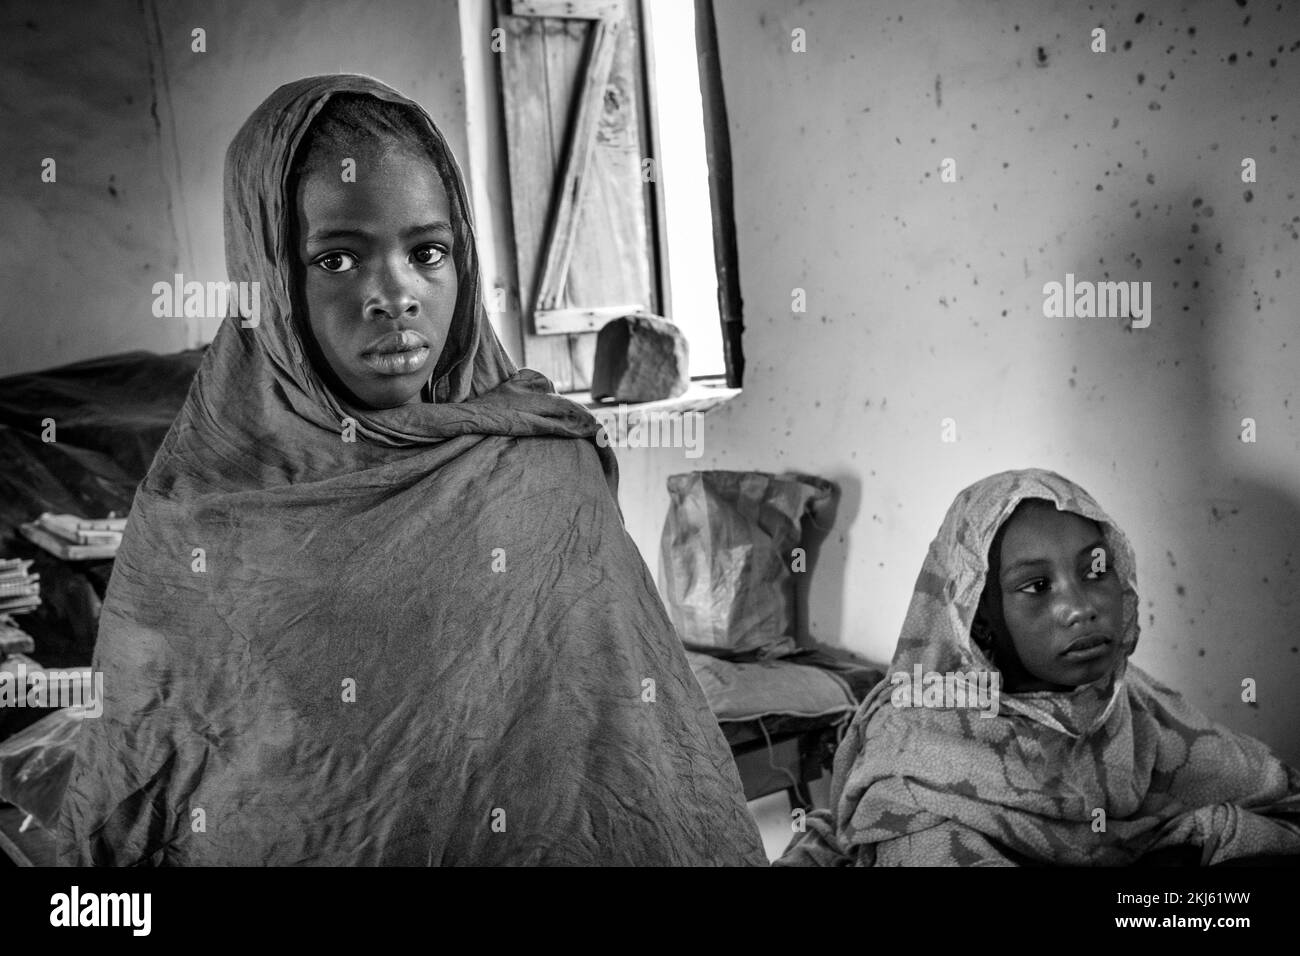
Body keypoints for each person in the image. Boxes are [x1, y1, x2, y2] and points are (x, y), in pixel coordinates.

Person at [57, 74, 766, 866]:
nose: (395, 296)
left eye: (428, 253)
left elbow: (636, 758)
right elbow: (132, 782)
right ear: (266, 276)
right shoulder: (199, 516)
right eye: (336, 259)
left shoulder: (541, 463)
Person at [776, 468, 1300, 866]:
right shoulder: (916, 761)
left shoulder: (1129, 703)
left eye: (1096, 570)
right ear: (980, 617)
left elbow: (1279, 797)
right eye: (1037, 586)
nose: (1080, 607)